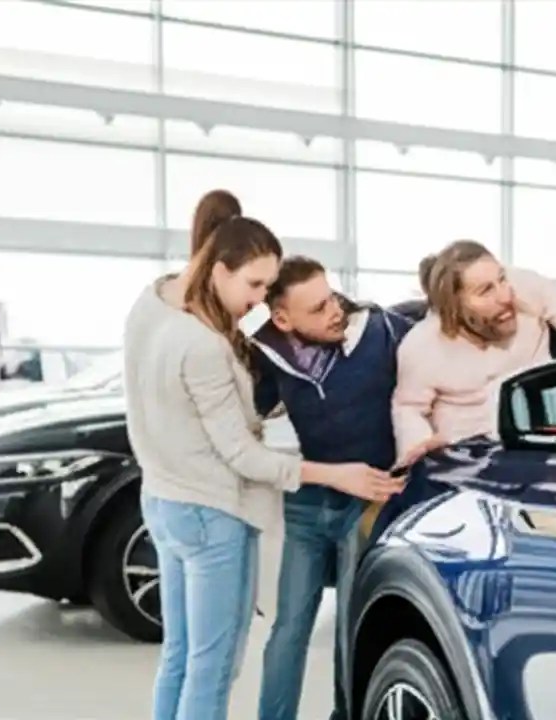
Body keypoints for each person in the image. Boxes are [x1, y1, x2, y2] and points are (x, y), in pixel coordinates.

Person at [123, 215, 395, 720]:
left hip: (162, 500)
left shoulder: (152, 306)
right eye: (254, 285)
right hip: (211, 512)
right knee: (214, 668)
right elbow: (242, 456)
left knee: (180, 658)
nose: (258, 302)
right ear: (219, 269)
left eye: (268, 287)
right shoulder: (206, 344)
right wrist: (333, 472)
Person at [249, 256, 413, 720]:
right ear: (282, 319)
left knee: (349, 628)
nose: (334, 310)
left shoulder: (383, 331)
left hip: (369, 501)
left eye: (332, 296)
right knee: (288, 630)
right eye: (318, 308)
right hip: (307, 503)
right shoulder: (271, 353)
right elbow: (247, 411)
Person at [392, 239, 556, 459]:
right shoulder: (422, 345)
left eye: (501, 279)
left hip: (547, 444)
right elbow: (409, 409)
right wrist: (421, 446)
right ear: (455, 309)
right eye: (486, 291)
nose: (505, 296)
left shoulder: (527, 289)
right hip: (468, 459)